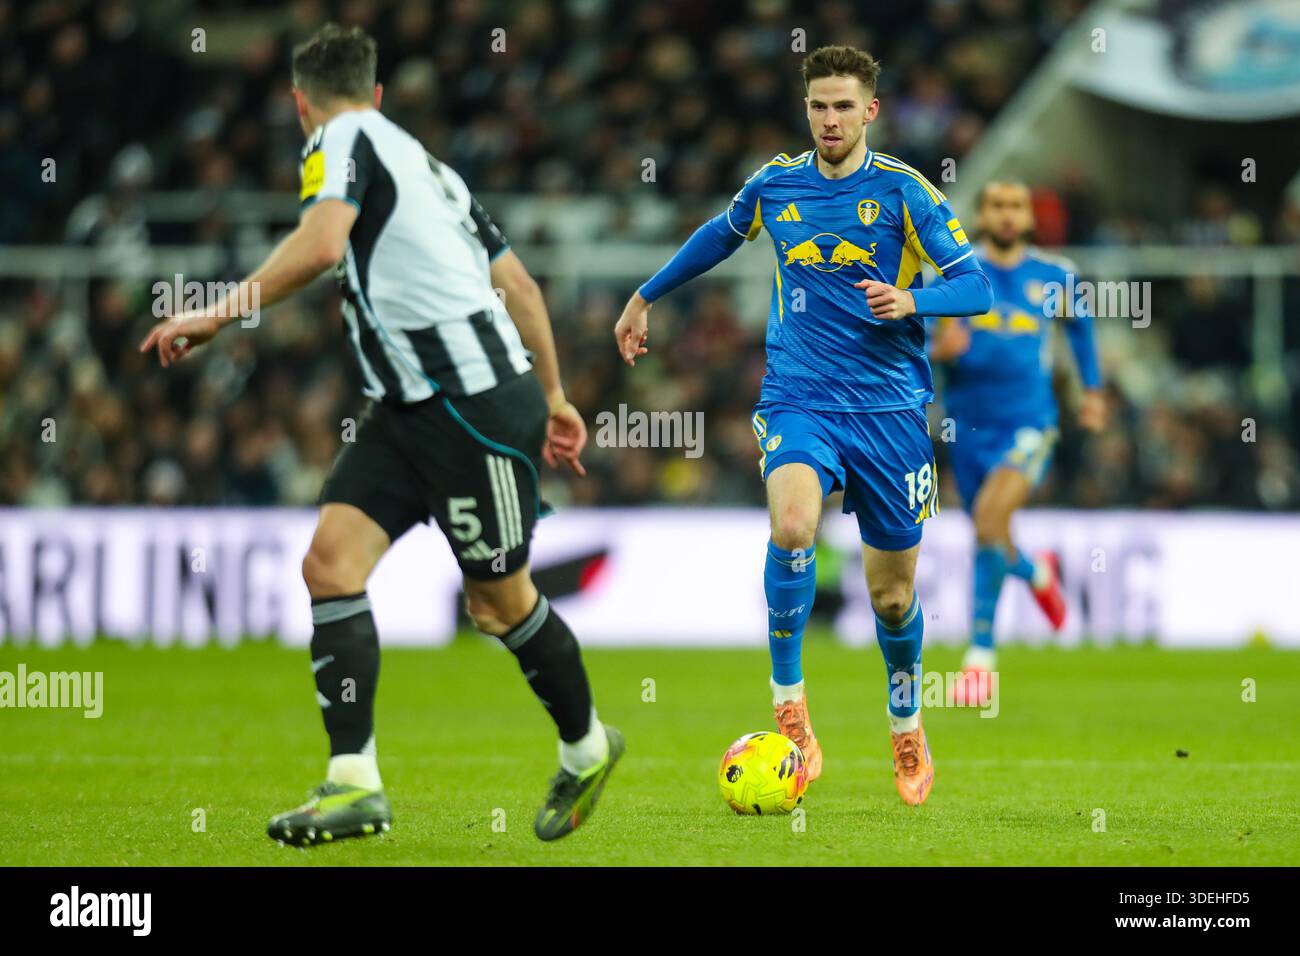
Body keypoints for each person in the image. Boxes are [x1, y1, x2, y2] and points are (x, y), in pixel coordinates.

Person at [140, 23, 622, 845]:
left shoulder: (339, 139)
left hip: (472, 405)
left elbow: (324, 243)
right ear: (380, 92)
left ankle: (586, 746)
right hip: (410, 408)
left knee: (499, 606)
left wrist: (219, 313)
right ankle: (353, 784)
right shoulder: (432, 168)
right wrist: (558, 393)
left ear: (300, 104)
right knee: (329, 564)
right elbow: (521, 285)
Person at [614, 45, 992, 806]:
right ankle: (791, 704)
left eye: (844, 105)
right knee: (792, 527)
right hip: (799, 397)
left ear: (871, 112)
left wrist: (913, 302)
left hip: (889, 412)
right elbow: (721, 234)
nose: (829, 119)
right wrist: (645, 295)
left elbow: (976, 285)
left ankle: (906, 721)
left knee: (891, 598)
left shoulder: (905, 194)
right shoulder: (774, 185)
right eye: (819, 104)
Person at [929, 181, 1104, 705]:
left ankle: (979, 659)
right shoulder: (957, 274)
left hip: (1029, 421)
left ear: (1029, 217)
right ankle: (1035, 570)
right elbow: (916, 335)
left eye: (1016, 207)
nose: (1007, 216)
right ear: (981, 215)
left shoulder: (1054, 274)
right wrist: (938, 345)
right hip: (968, 426)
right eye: (997, 206)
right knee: (989, 530)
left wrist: (1090, 391)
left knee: (987, 520)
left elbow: (1081, 330)